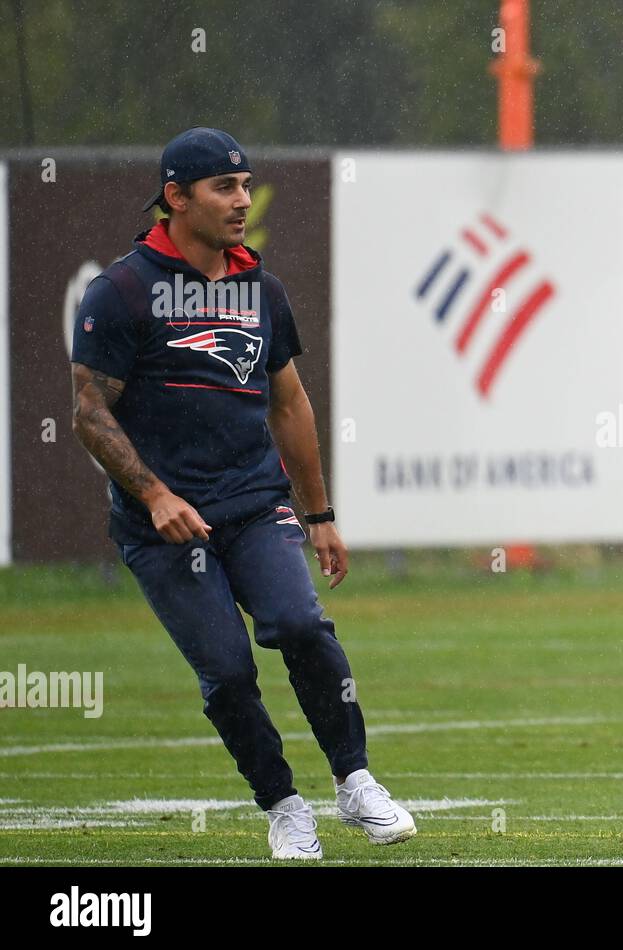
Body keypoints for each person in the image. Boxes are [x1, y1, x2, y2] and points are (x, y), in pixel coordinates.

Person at [70, 127, 415, 859]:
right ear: (176, 197)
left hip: (256, 506)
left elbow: (289, 404)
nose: (241, 200)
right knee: (226, 671)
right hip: (162, 527)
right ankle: (285, 807)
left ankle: (355, 780)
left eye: (246, 185)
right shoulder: (122, 291)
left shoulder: (262, 289)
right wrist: (157, 495)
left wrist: (320, 515)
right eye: (224, 187)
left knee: (300, 626)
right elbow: (89, 412)